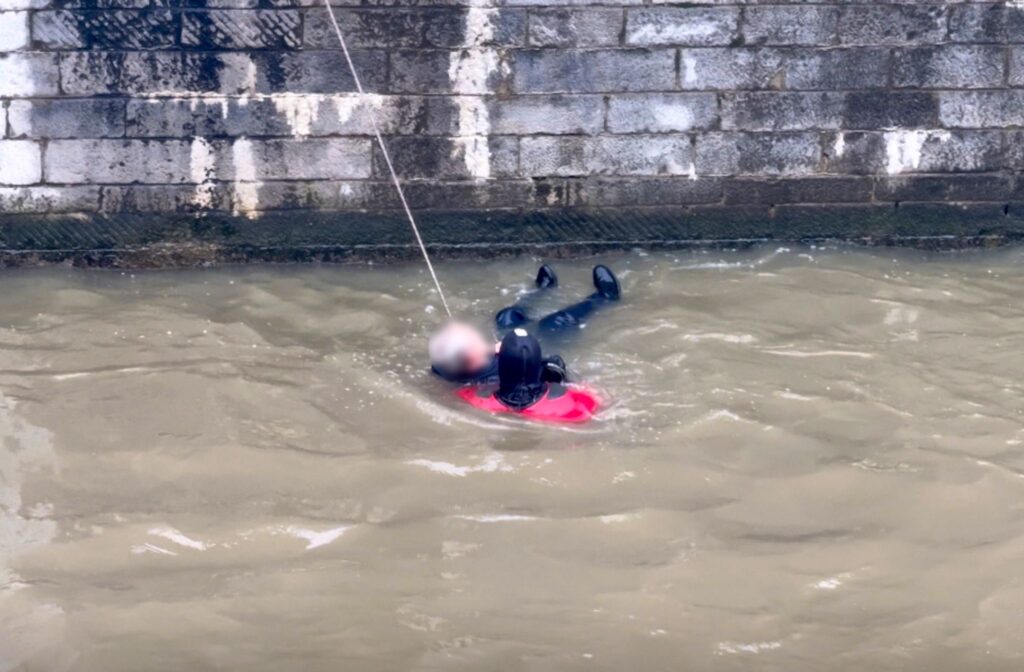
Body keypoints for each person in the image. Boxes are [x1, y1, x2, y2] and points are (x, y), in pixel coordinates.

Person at [428, 264, 621, 385]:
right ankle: (604, 298)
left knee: (507, 315)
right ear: (471, 357)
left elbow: (444, 364)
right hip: (533, 349)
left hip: (507, 344)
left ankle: (543, 290)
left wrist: (488, 349)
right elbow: (555, 372)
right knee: (555, 321)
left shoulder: (445, 367)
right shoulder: (494, 378)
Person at [455, 328, 600, 424]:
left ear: (500, 364)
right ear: (538, 362)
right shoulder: (575, 407)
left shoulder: (472, 398)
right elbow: (597, 401)